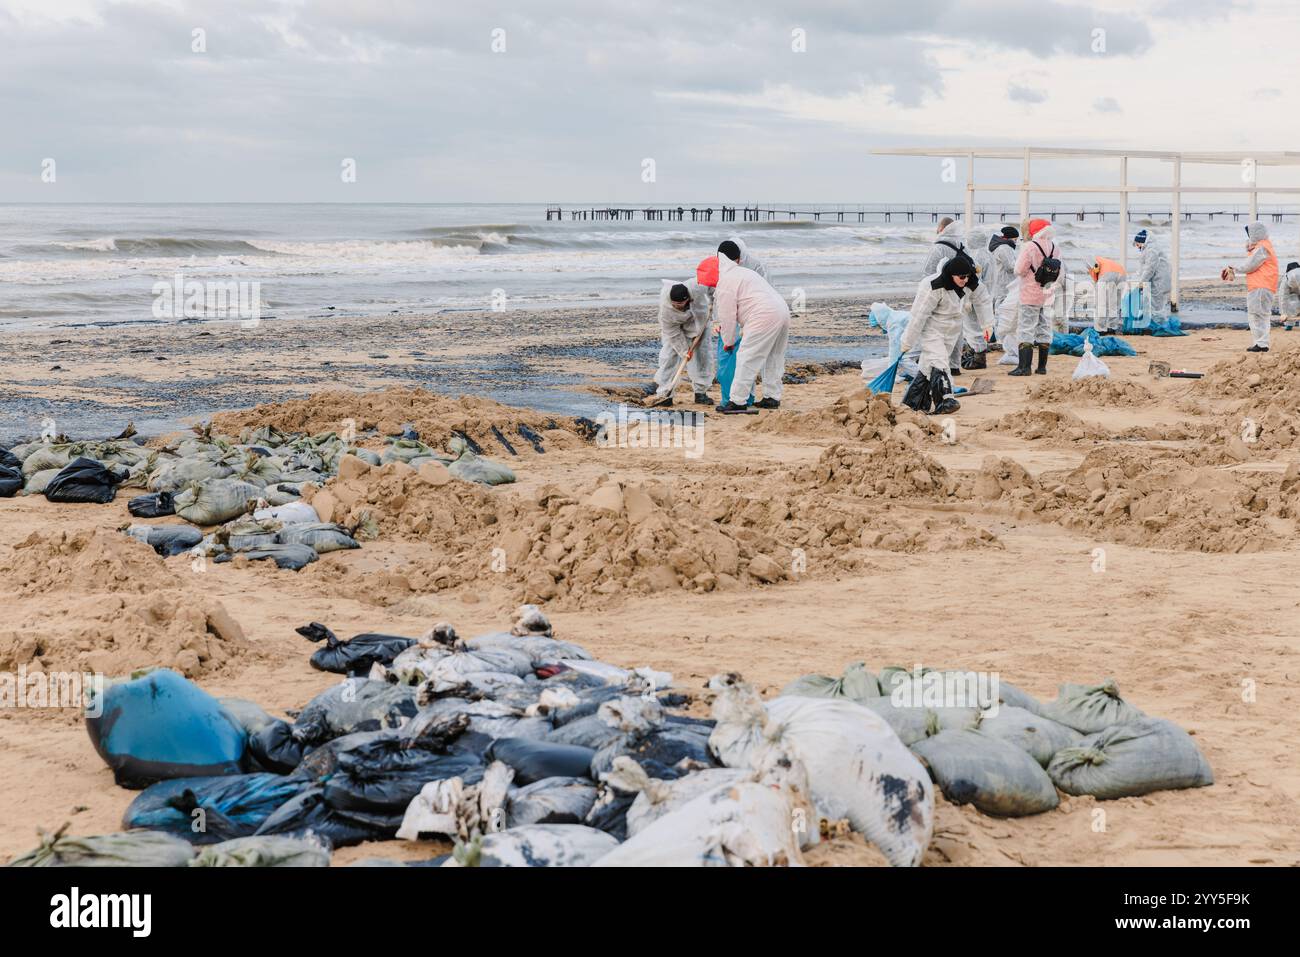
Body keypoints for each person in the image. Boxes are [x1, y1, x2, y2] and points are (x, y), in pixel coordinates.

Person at [899, 256, 993, 415]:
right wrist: (907, 341)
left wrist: (987, 324)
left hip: (953, 330)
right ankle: (945, 399)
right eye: (961, 277)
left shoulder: (970, 282)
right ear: (951, 275)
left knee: (927, 366)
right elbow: (919, 315)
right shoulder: (934, 286)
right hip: (932, 329)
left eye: (967, 276)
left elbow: (983, 300)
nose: (965, 280)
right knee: (939, 361)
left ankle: (913, 401)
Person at [711, 253, 790, 413]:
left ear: (719, 260)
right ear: (737, 259)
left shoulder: (726, 280)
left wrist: (728, 341)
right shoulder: (747, 272)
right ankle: (772, 397)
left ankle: (738, 401)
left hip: (763, 314)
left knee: (746, 357)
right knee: (774, 356)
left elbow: (727, 316)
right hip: (782, 309)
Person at [1010, 218, 1064, 376]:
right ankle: (1042, 367)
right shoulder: (1055, 247)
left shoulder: (1030, 246)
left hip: (1030, 294)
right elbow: (1060, 274)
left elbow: (1019, 270)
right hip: (1048, 295)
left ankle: (1024, 367)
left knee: (1026, 329)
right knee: (1045, 329)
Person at [651, 279, 713, 405]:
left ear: (687, 299)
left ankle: (701, 393)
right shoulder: (666, 311)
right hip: (676, 329)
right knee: (669, 358)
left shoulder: (697, 286)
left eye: (679, 304)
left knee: (702, 358)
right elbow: (673, 334)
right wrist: (684, 351)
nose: (677, 306)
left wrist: (713, 302)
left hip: (700, 324)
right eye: (675, 305)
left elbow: (713, 288)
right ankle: (665, 394)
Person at [1222, 222, 1279, 352]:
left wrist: (1233, 267)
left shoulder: (1262, 248)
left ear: (1255, 233)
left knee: (1256, 315)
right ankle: (1262, 343)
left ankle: (1261, 344)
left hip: (1260, 286)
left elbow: (1249, 265)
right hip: (1265, 285)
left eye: (1250, 233)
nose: (1249, 236)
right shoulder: (1264, 246)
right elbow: (1251, 262)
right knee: (1262, 315)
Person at [1133, 229, 1172, 329]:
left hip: (1159, 282)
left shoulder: (1151, 250)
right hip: (1157, 280)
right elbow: (1143, 268)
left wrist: (1141, 282)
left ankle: (1159, 327)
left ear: (1142, 242)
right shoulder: (1149, 249)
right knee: (1156, 305)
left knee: (1157, 306)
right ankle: (1158, 325)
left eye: (1137, 244)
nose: (1137, 246)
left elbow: (1149, 268)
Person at [1087, 256, 1127, 333]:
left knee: (1101, 303)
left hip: (1107, 274)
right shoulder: (1102, 259)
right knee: (1115, 303)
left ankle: (1100, 329)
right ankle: (1113, 327)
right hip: (1122, 274)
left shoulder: (1092, 262)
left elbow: (1095, 272)